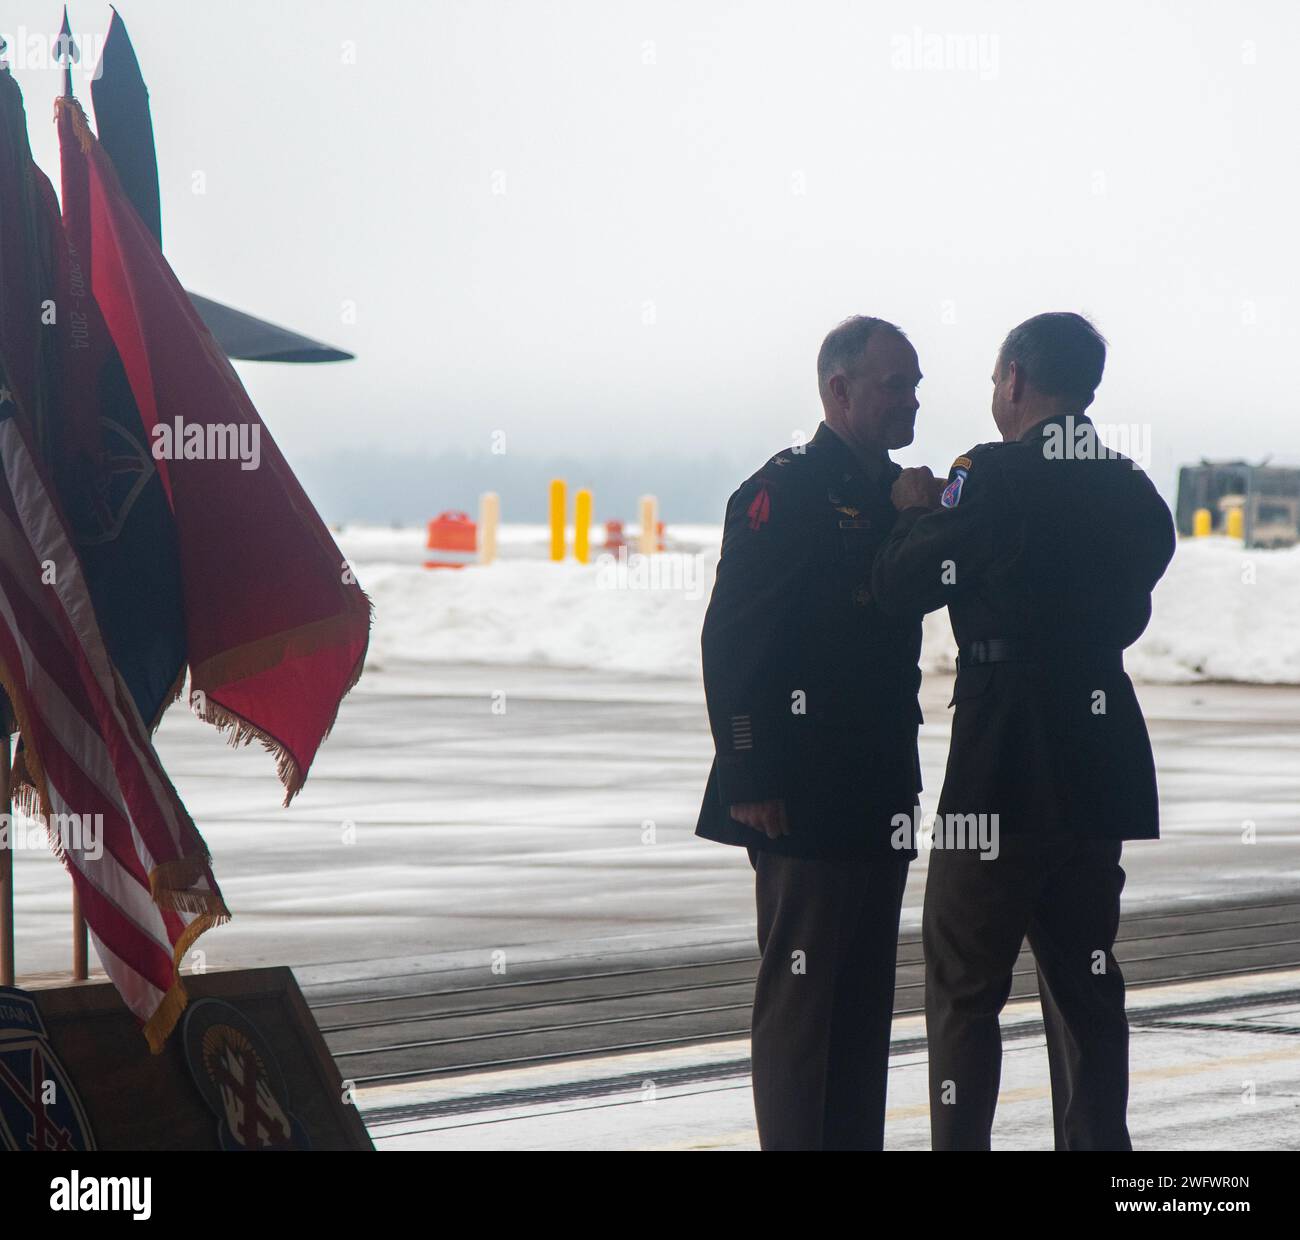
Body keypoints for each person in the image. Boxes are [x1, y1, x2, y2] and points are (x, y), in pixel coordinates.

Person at [871, 312, 1175, 1151]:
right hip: (1100, 753)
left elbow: (903, 584)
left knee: (965, 983)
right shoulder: (1129, 487)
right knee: (1086, 979)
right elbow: (1139, 588)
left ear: (1013, 379)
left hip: (1004, 755)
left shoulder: (992, 473)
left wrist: (910, 508)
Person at [696, 315, 926, 1150]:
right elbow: (735, 640)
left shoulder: (897, 494)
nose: (913, 400)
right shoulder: (785, 491)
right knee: (802, 1006)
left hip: (877, 782)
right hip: (800, 790)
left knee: (864, 1005)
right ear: (840, 390)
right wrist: (749, 775)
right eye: (896, 384)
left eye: (916, 384)